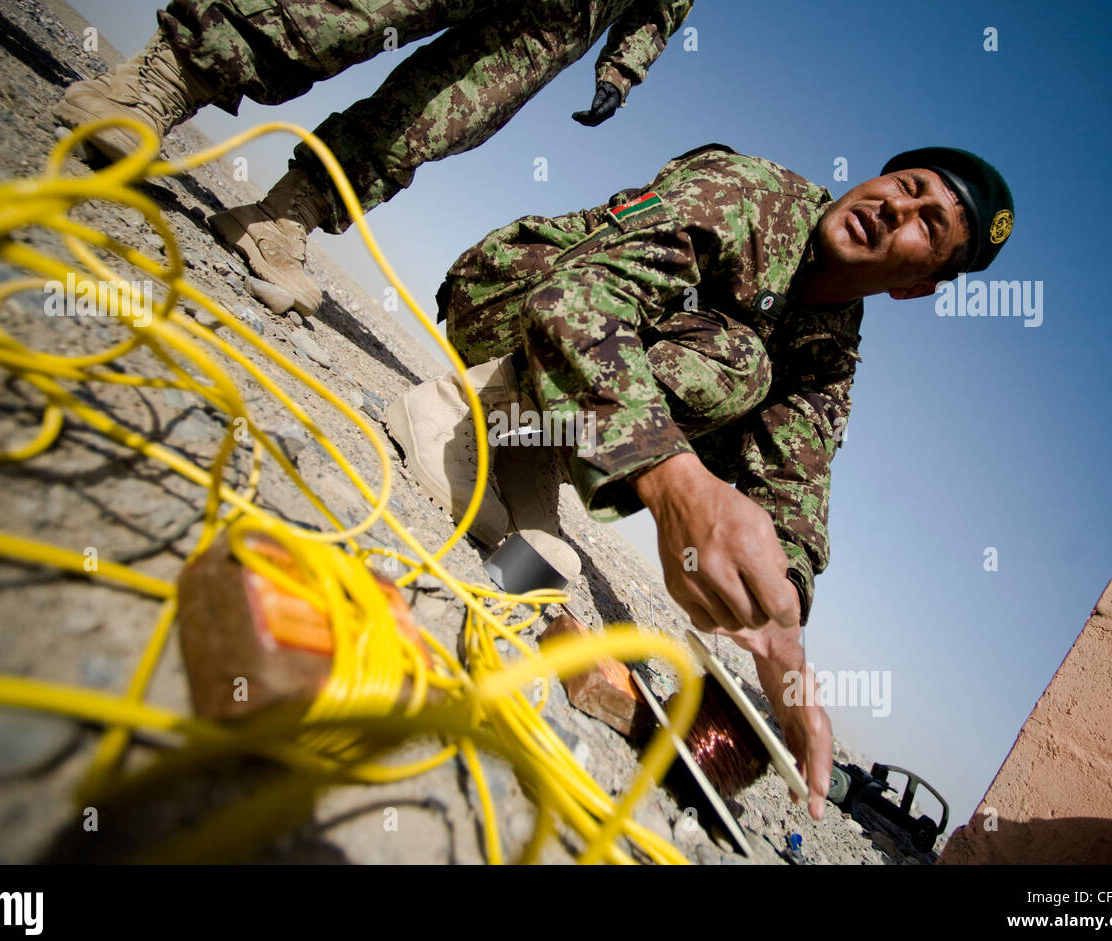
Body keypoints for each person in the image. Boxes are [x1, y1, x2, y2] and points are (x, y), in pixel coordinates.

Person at [387, 143, 1015, 817]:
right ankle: (466, 408)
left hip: (562, 383)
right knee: (737, 365)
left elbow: (796, 483)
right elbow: (578, 294)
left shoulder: (831, 350)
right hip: (508, 296)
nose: (896, 206)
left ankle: (529, 454)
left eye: (928, 223)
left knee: (751, 408)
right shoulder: (752, 194)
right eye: (905, 183)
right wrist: (674, 483)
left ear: (918, 285)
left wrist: (782, 632)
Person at [55, 0, 694, 315]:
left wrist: (622, 70)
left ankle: (286, 215)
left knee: (433, 120)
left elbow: (663, 7)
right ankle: (160, 83)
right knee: (353, 8)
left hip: (547, 27)